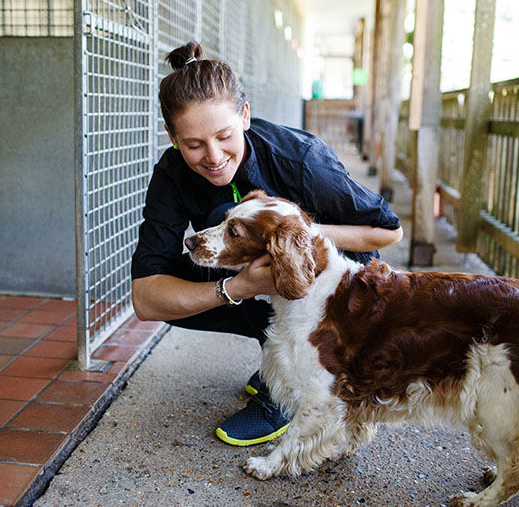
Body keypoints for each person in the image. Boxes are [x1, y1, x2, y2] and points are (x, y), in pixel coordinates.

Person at [131, 41, 403, 447]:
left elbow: (387, 231)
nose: (214, 156)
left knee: (225, 218)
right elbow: (147, 298)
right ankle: (279, 367)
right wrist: (238, 287)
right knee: (207, 239)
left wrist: (291, 238)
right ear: (172, 136)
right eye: (193, 145)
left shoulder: (301, 158)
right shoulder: (171, 174)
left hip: (334, 281)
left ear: (244, 115)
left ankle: (296, 383)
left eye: (224, 136)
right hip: (254, 279)